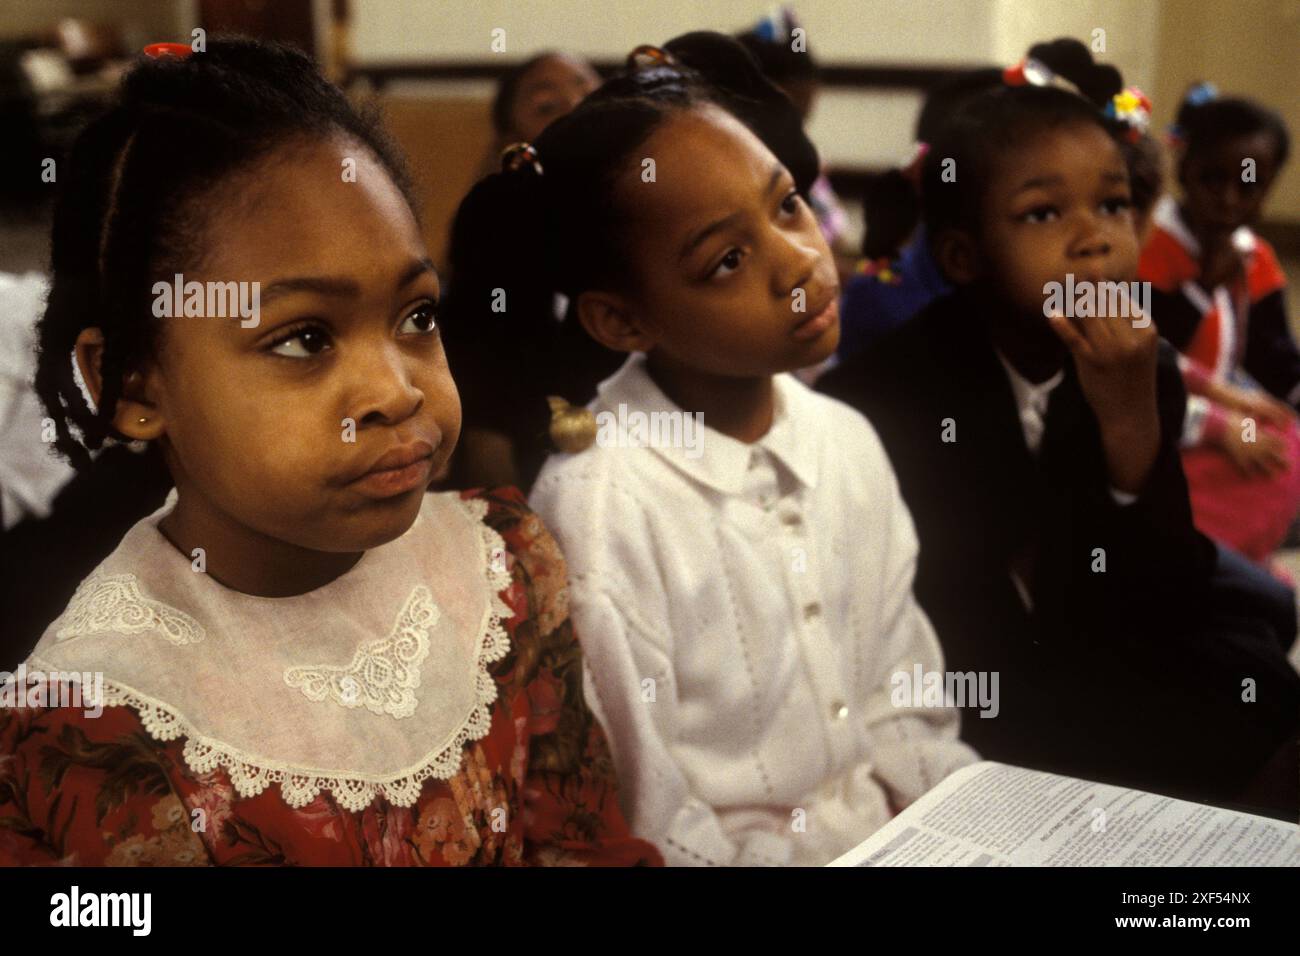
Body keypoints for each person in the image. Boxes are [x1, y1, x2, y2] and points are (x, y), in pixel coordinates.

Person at [0, 38, 659, 867]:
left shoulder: (506, 571)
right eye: (305, 337)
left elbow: (579, 844)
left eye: (417, 316)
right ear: (133, 386)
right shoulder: (94, 727)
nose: (398, 390)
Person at [447, 41, 978, 866]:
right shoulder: (602, 503)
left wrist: (972, 822)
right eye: (728, 260)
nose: (801, 262)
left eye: (790, 206)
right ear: (621, 322)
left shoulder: (844, 440)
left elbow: (902, 703)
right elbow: (651, 814)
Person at [818, 50, 1300, 813]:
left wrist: (1130, 418)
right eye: (1044, 214)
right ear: (961, 254)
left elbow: (1158, 580)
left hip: (1106, 619)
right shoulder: (893, 398)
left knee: (1260, 669)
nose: (1094, 239)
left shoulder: (1142, 361)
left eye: (1112, 205)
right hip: (972, 662)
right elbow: (993, 614)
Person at [1139, 85, 1300, 568]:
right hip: (1165, 420)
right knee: (1277, 462)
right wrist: (1203, 284)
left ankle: (1244, 546)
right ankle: (1213, 556)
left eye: (1248, 187)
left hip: (1220, 405)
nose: (1228, 201)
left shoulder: (1256, 256)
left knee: (1285, 437)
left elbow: (1273, 359)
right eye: (1213, 180)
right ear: (1184, 168)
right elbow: (1153, 358)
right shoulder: (1151, 247)